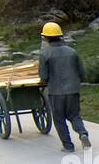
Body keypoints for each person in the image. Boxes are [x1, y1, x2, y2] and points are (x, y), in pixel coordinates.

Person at [37, 22, 89, 151]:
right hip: (73, 90)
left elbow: (43, 76)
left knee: (59, 118)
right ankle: (83, 133)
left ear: (46, 37)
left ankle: (68, 146)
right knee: (74, 115)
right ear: (60, 36)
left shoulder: (45, 54)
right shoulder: (72, 51)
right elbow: (82, 72)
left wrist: (43, 82)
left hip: (56, 92)